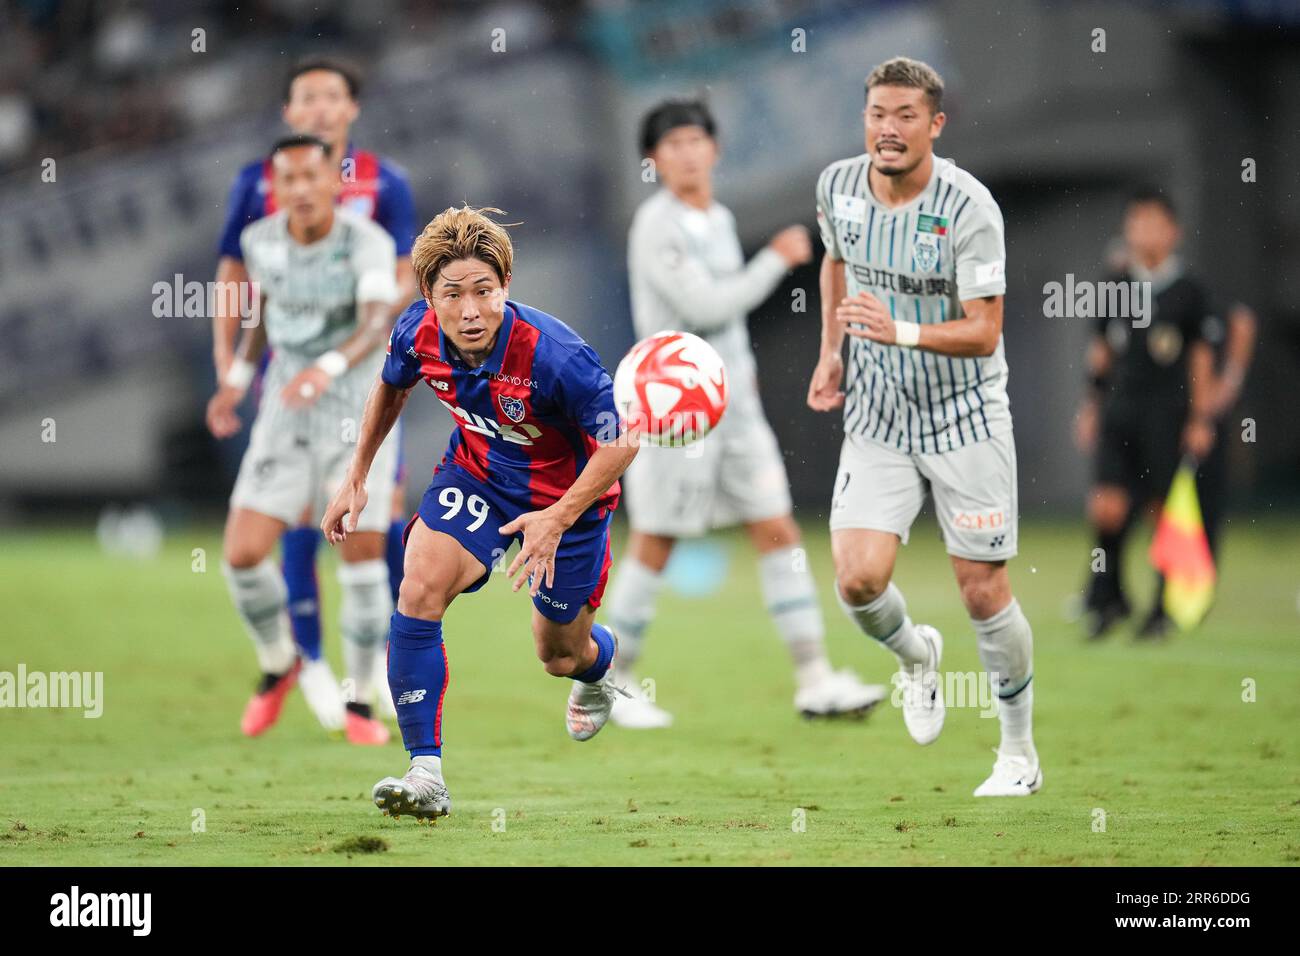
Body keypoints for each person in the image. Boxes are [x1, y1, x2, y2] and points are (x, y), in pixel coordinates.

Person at [321, 205, 639, 822]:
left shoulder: (557, 357)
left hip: (569, 503)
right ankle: (426, 773)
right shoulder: (416, 331)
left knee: (558, 655)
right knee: (418, 585)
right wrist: (356, 476)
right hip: (477, 478)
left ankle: (600, 664)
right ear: (427, 296)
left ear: (507, 288)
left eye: (484, 292)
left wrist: (557, 517)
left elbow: (623, 440)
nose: (470, 311)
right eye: (452, 294)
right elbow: (391, 383)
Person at [604, 99, 885, 730]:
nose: (685, 152)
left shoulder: (721, 217)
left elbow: (723, 323)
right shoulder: (657, 223)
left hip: (733, 408)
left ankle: (815, 679)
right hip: (672, 407)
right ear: (653, 161)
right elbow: (704, 305)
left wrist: (743, 373)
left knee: (777, 529)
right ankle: (613, 682)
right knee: (656, 541)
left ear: (715, 148)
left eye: (695, 139)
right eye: (670, 144)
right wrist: (776, 259)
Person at [807, 57, 1040, 796]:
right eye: (878, 112)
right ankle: (916, 659)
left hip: (964, 416)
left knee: (980, 588)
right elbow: (835, 264)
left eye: (907, 114)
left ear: (935, 124)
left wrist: (897, 330)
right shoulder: (837, 186)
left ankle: (1018, 755)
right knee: (858, 579)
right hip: (878, 415)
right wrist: (833, 352)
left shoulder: (970, 208)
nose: (889, 128)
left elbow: (984, 332)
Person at [211, 57, 418, 724]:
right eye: (309, 97)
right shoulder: (256, 218)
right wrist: (234, 377)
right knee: (251, 548)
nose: (322, 107)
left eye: (334, 96)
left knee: (362, 550)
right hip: (285, 401)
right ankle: (294, 661)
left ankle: (360, 693)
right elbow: (249, 297)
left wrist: (331, 364)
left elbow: (386, 302)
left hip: (359, 401)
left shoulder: (381, 201)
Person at [1074, 189, 1221, 639]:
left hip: (1168, 415)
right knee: (1107, 508)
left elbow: (1200, 358)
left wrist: (1200, 418)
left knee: (1163, 511)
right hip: (1120, 411)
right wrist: (1091, 405)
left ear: (1173, 232)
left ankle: (1162, 609)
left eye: (1155, 223)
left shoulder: (1189, 292)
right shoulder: (1115, 284)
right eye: (1137, 222)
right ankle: (1109, 597)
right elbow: (1100, 352)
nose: (1145, 231)